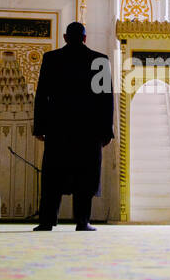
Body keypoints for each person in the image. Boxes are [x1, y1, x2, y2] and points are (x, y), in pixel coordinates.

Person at [32, 22, 114, 231]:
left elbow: (42, 95)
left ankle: (47, 221)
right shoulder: (99, 60)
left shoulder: (51, 59)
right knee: (85, 175)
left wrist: (40, 127)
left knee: (53, 176)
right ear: (85, 38)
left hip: (58, 128)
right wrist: (107, 131)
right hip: (89, 129)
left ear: (65, 37)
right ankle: (82, 221)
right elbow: (106, 99)